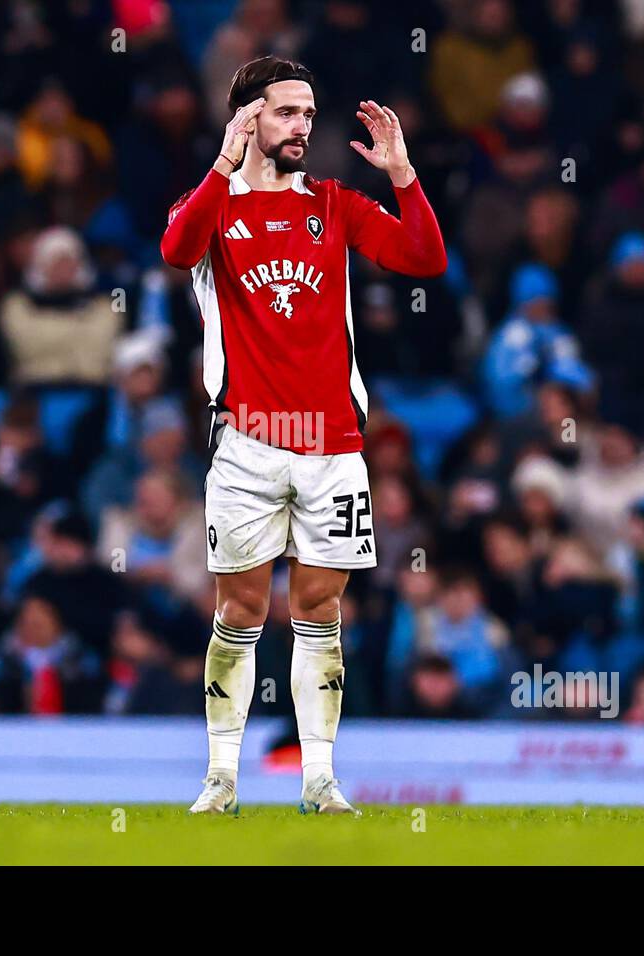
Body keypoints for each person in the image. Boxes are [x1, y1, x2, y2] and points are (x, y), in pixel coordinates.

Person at [160, 55, 446, 814]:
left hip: (333, 445)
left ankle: (319, 779)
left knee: (320, 613)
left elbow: (425, 257)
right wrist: (223, 163)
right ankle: (220, 778)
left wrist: (404, 174)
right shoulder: (211, 205)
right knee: (241, 613)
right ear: (248, 117)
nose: (303, 127)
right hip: (249, 443)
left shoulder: (335, 203)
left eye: (310, 115)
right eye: (288, 112)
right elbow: (176, 251)